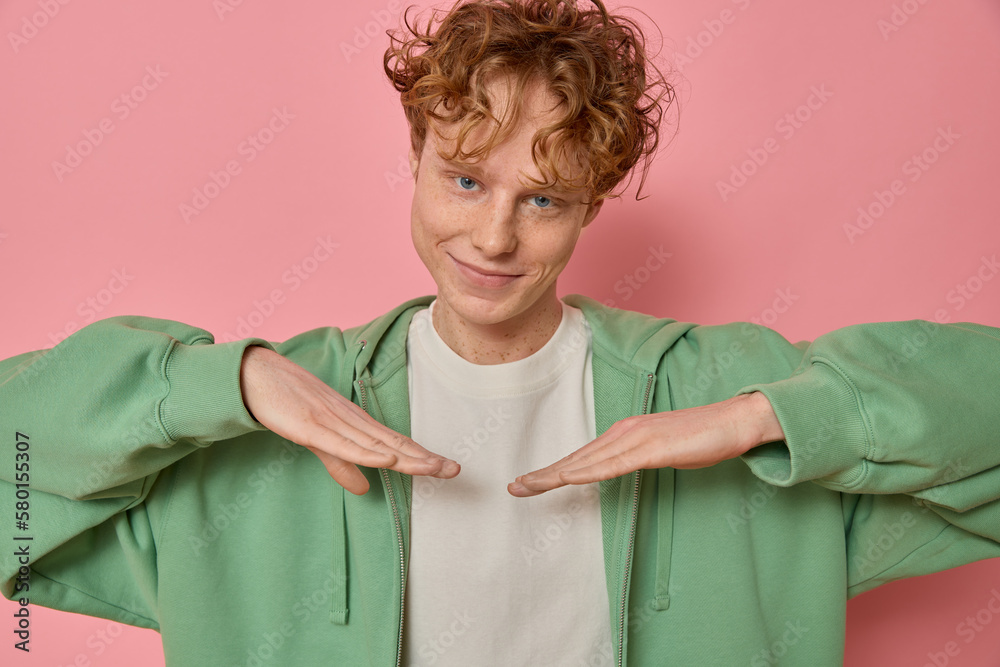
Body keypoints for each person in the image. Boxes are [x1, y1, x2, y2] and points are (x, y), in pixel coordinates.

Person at [2, 0, 999, 665]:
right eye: (465, 178)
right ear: (416, 156)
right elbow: (15, 469)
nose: (492, 235)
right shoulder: (268, 426)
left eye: (545, 199)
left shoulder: (716, 392)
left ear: (593, 206)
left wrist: (763, 416)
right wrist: (231, 385)